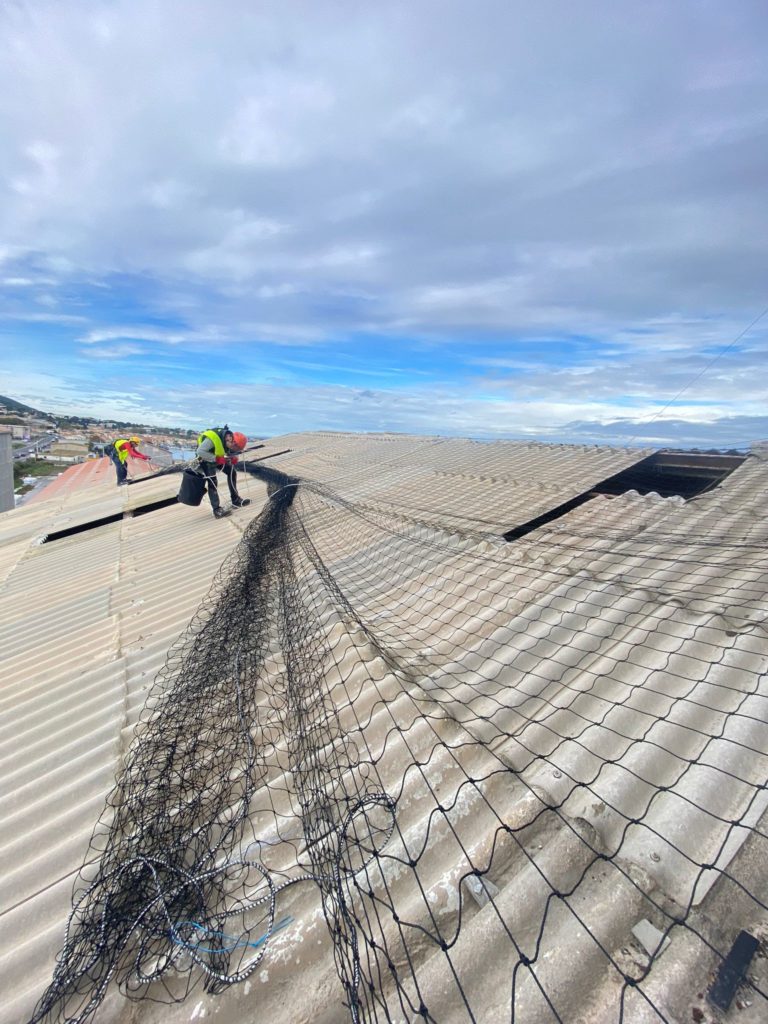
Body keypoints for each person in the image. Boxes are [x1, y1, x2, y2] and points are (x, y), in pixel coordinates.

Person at [194, 426, 251, 518]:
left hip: (217, 457)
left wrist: (231, 458)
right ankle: (216, 510)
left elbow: (226, 451)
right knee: (213, 481)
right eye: (236, 449)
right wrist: (216, 459)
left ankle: (235, 500)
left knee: (232, 472)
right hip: (205, 459)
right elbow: (200, 451)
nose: (235, 451)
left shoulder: (228, 439)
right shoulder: (212, 440)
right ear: (232, 442)